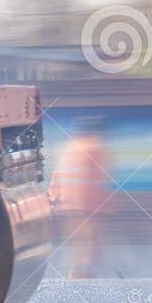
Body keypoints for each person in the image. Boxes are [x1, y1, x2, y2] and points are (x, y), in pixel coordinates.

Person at [49, 115, 115, 279]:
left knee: (78, 240)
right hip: (90, 204)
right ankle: (81, 276)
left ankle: (78, 274)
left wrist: (53, 197)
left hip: (69, 203)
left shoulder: (69, 148)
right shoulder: (98, 148)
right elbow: (103, 178)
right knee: (89, 240)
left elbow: (57, 176)